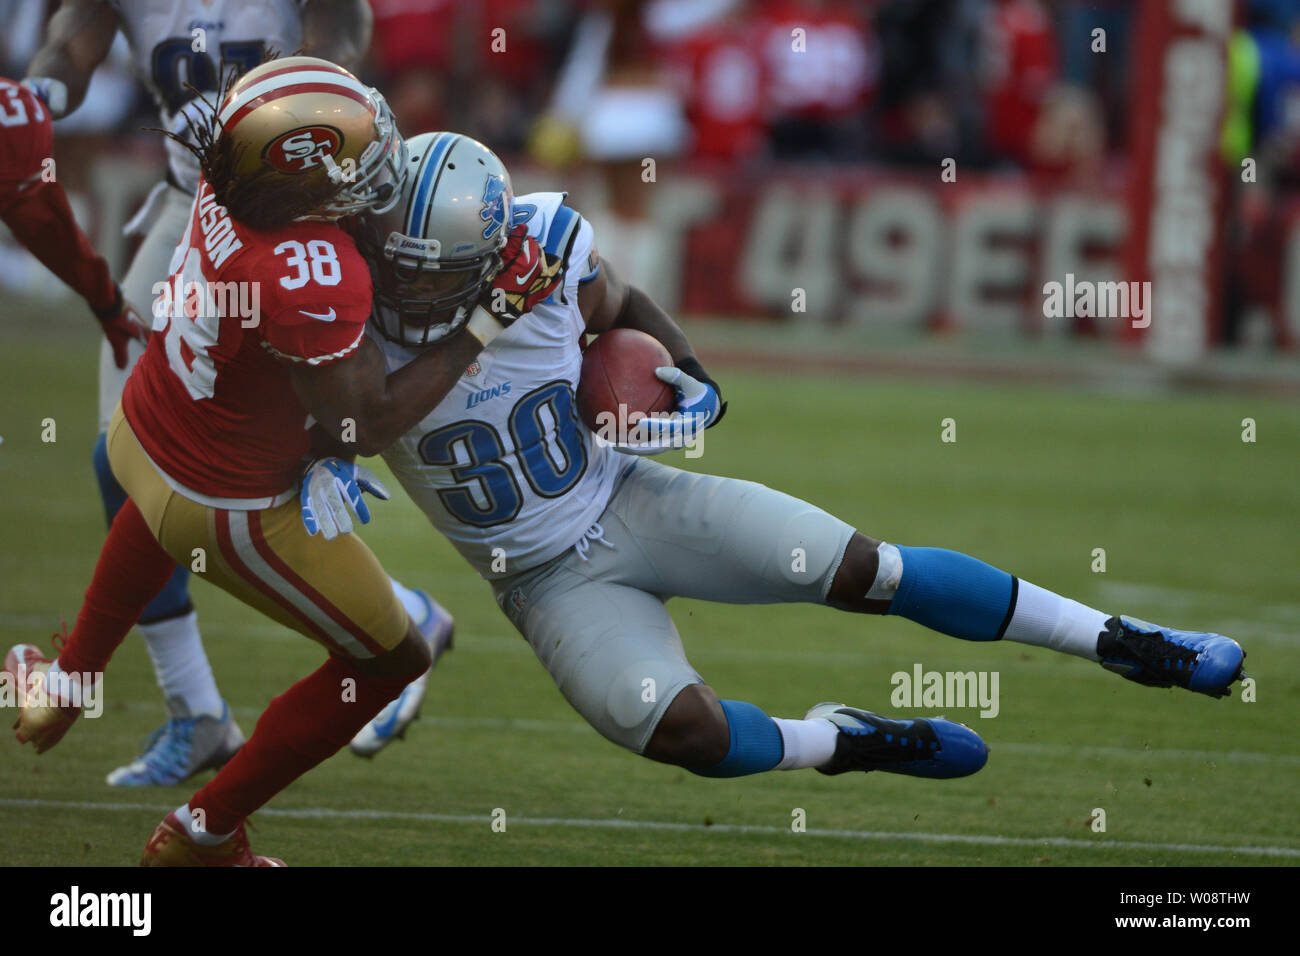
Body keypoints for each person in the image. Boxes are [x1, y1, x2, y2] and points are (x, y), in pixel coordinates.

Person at [309, 131, 1245, 785]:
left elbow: (622, 304)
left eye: (437, 269)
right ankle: (837, 743)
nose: (407, 278)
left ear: (485, 251)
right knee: (684, 731)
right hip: (542, 579)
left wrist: (698, 377)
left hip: (630, 497)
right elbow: (365, 417)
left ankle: (1123, 641)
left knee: (866, 569)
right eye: (403, 257)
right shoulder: (351, 311)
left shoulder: (542, 246)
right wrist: (344, 441)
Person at [6, 58, 563, 866]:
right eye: (356, 167)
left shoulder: (227, 171)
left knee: (152, 512)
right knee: (393, 660)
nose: (376, 175)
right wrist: (487, 320)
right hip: (223, 504)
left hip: (144, 428)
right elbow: (362, 423)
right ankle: (207, 831)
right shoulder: (313, 273)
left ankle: (63, 685)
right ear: (299, 185)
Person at [19, 0, 441, 784]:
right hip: (205, 198)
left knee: (310, 428)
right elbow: (69, 45)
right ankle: (198, 712)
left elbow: (340, 38)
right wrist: (36, 96)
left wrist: (283, 140)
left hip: (302, 205)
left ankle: (387, 613)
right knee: (132, 456)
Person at [0, 74, 146, 371]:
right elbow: (47, 226)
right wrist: (108, 303)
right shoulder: (19, 118)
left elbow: (49, 228)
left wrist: (107, 301)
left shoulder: (18, 118)